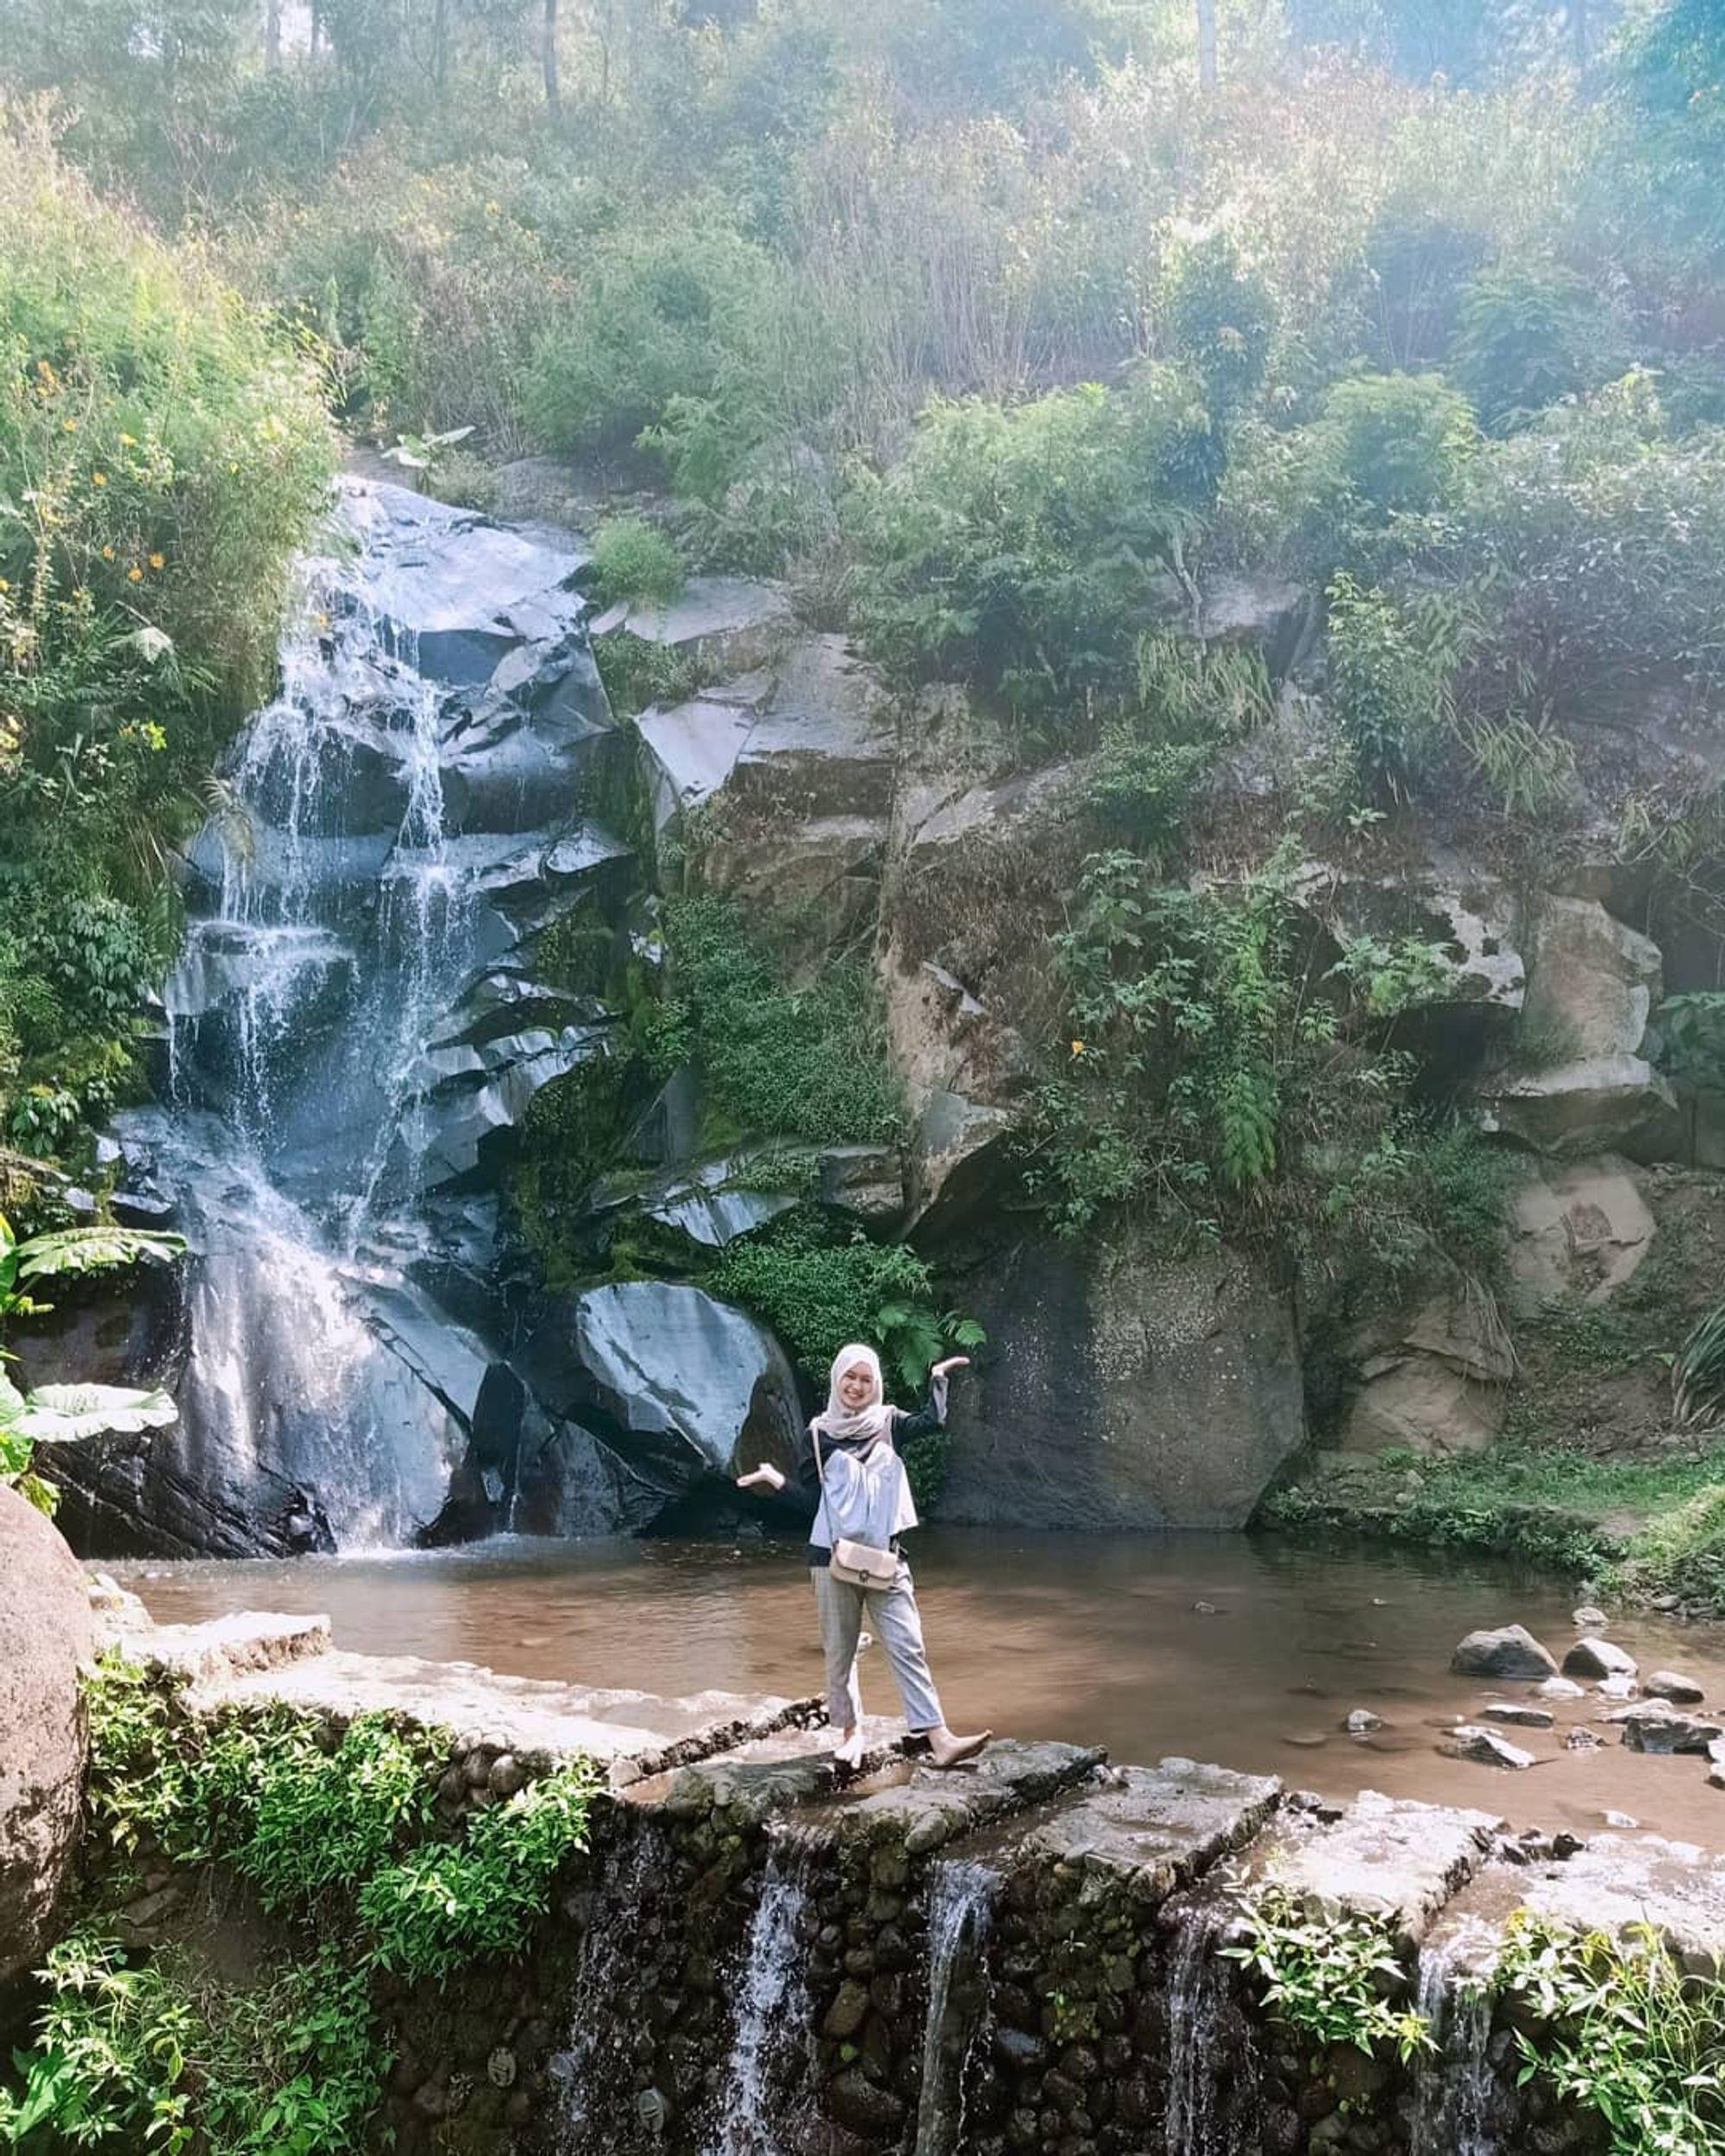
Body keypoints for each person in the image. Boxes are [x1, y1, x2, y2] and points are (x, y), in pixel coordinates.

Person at [737, 1342, 991, 1771]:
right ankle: (852, 1734)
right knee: (841, 1651)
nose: (856, 1386)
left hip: (886, 1557)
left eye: (866, 1378)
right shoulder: (817, 1435)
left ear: (876, 1384)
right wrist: (777, 1482)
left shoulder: (890, 1423)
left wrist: (937, 1379)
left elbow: (933, 1423)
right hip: (831, 1558)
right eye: (849, 1377)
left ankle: (939, 1737)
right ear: (837, 1380)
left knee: (909, 1645)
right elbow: (812, 1505)